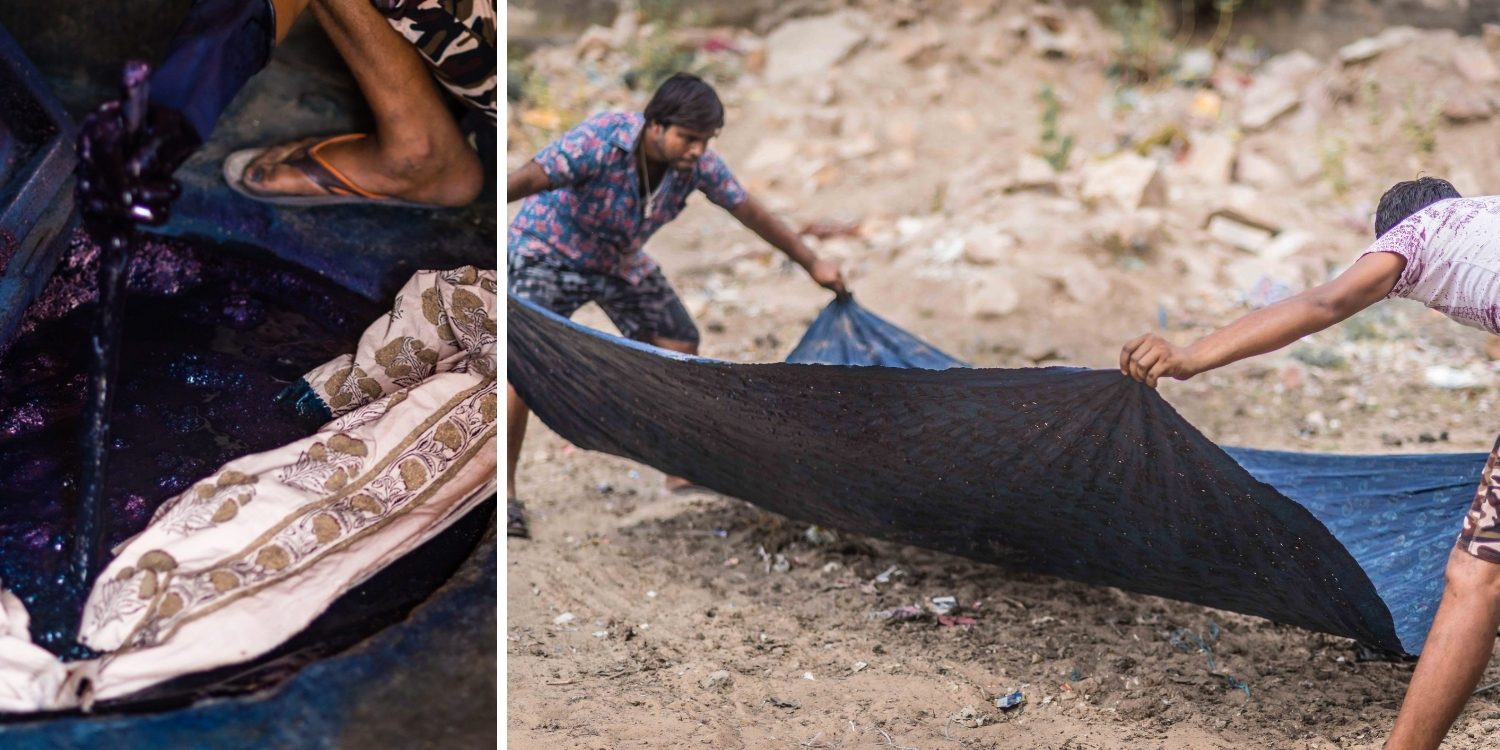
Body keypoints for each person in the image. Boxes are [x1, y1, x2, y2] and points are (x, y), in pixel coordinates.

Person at [1119, 177, 1500, 750]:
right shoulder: (1485, 222)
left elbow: (1322, 302)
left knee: (1476, 576)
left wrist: (1191, 356)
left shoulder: (1417, 233)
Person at [505, 72, 848, 539]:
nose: (697, 150)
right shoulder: (601, 141)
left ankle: (677, 467)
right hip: (547, 250)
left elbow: (749, 211)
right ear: (655, 126)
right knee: (522, 362)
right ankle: (503, 495)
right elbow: (527, 177)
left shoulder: (695, 165)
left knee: (678, 338)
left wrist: (812, 263)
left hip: (617, 260)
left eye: (705, 141)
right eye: (688, 138)